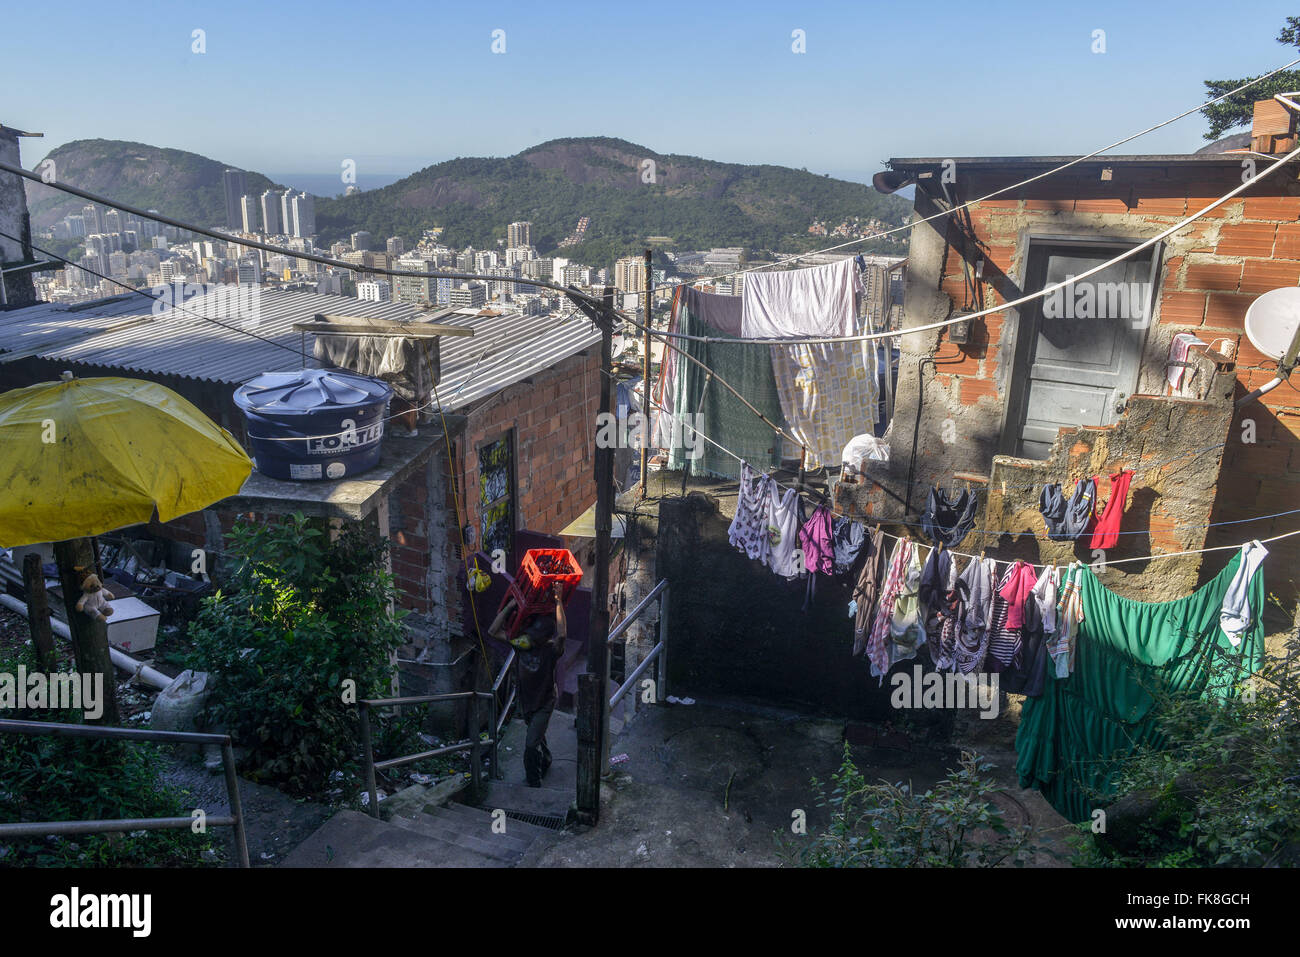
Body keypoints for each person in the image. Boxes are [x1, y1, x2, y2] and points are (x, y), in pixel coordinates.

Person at [488, 581, 567, 787]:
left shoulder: (551, 651)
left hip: (544, 702)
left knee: (531, 744)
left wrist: (558, 602)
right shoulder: (521, 646)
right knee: (536, 735)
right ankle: (547, 759)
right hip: (526, 701)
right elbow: (493, 631)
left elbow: (563, 634)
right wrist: (509, 607)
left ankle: (534, 782)